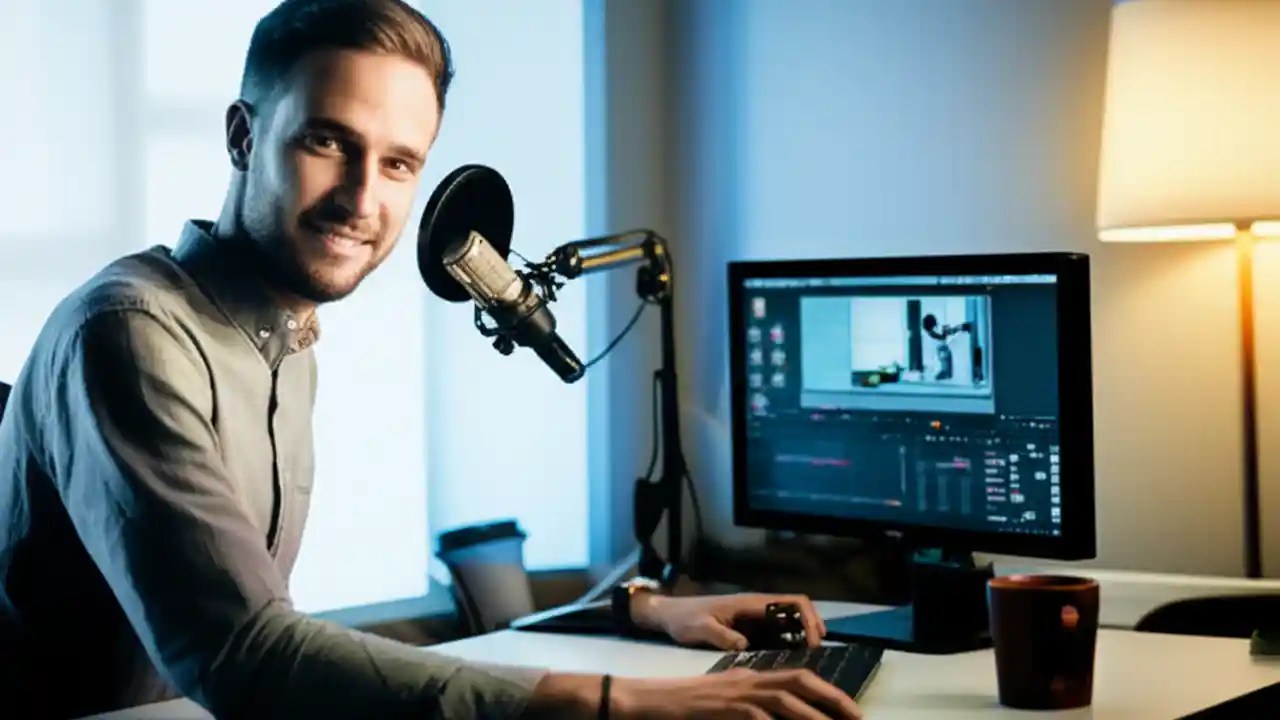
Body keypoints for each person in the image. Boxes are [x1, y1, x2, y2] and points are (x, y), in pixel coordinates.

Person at [0, 1, 861, 718]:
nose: (362, 199)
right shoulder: (128, 333)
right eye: (327, 142)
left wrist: (638, 613)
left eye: (399, 162)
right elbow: (245, 653)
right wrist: (613, 704)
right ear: (241, 137)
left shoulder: (285, 336)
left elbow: (293, 635)